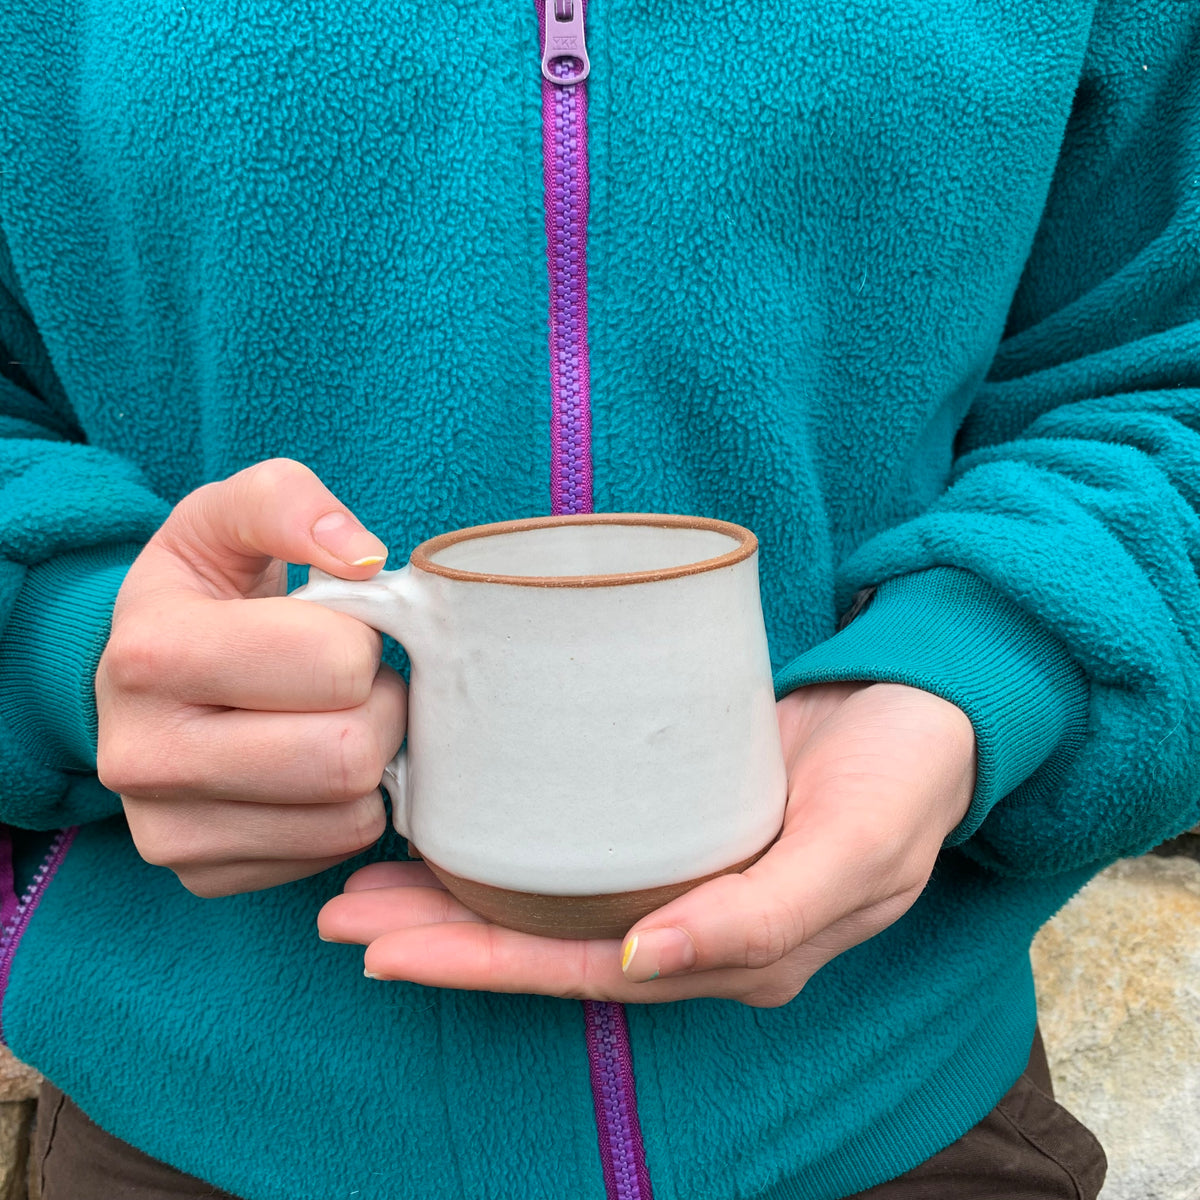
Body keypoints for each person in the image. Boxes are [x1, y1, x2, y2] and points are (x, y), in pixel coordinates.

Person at [2, 0, 1198, 1195]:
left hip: (898, 1118)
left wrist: (985, 664)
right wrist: (76, 644)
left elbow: (1170, 368)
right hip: (191, 1130)